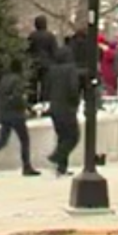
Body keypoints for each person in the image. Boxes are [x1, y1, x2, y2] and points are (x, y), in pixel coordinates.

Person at [0, 58, 40, 177]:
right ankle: (26, 166)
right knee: (24, 140)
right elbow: (17, 97)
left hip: (4, 114)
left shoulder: (4, 79)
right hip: (16, 115)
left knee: (1, 141)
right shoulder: (18, 80)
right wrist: (28, 107)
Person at [44, 46, 82, 176]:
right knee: (73, 137)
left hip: (54, 108)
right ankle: (56, 156)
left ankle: (62, 167)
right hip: (67, 107)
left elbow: (46, 88)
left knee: (62, 137)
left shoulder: (52, 70)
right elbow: (73, 88)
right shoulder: (71, 69)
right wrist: (76, 102)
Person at [26, 15, 57, 107]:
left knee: (33, 84)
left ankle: (32, 102)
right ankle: (45, 102)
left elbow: (28, 49)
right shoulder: (50, 36)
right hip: (47, 63)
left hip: (34, 62)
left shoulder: (32, 36)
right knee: (46, 85)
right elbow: (54, 50)